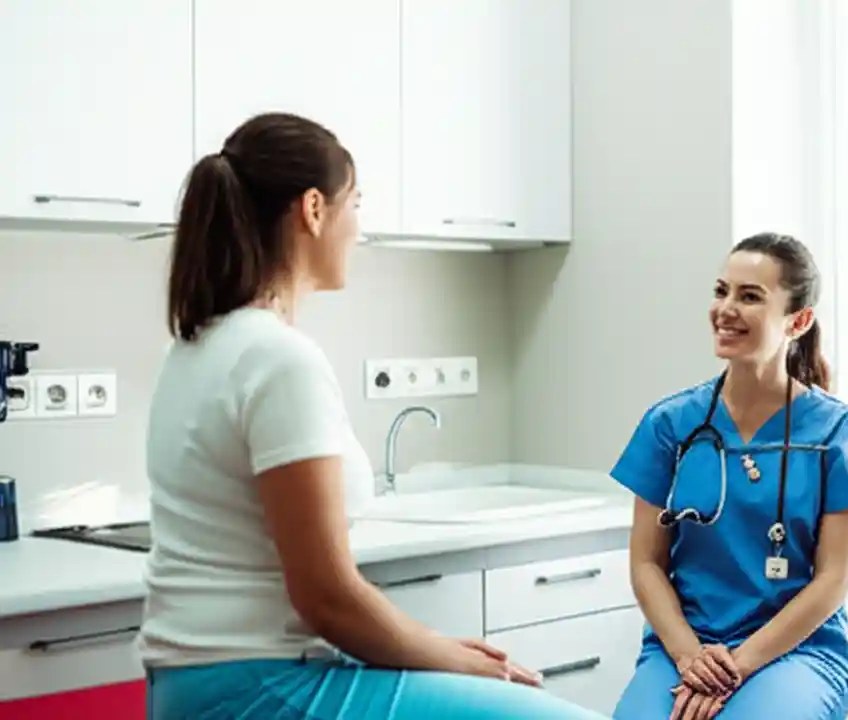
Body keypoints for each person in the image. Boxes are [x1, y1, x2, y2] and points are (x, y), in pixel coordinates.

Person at [141, 112, 603, 719]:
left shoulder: (196, 348)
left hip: (196, 688)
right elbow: (326, 597)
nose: (359, 227)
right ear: (313, 209)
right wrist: (457, 659)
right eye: (355, 203)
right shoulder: (277, 358)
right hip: (258, 691)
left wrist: (438, 652)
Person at [609, 233, 848, 720]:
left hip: (796, 650)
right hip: (687, 643)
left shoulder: (838, 433)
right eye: (721, 291)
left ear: (798, 321)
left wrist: (737, 665)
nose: (725, 309)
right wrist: (690, 658)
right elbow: (646, 565)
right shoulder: (671, 425)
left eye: (749, 297)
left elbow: (833, 580)